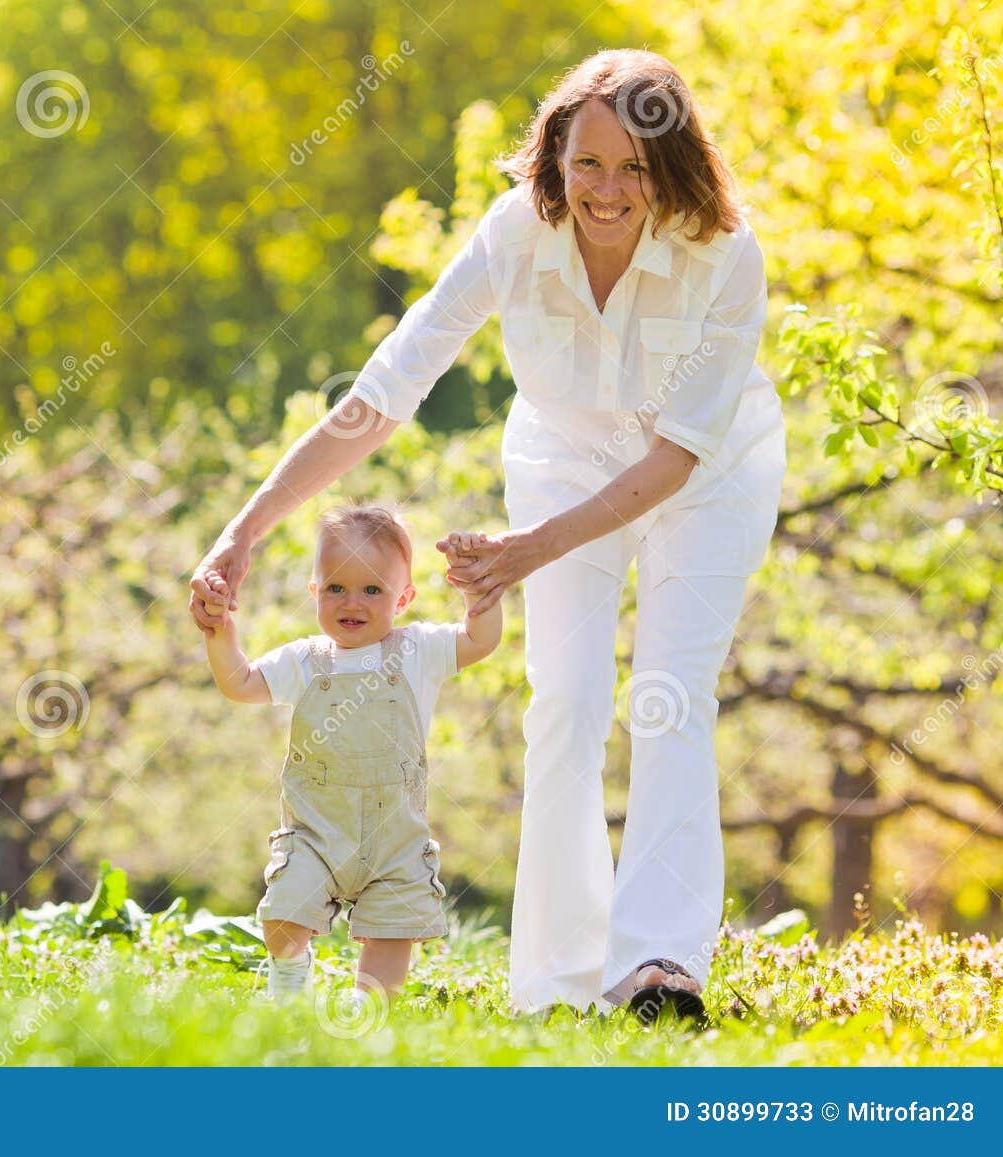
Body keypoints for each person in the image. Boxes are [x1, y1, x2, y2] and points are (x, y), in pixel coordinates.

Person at [190, 49, 785, 1025]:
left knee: (668, 698)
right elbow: (380, 395)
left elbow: (674, 460)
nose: (605, 189)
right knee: (566, 701)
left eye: (634, 167)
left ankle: (659, 969)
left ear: (671, 168)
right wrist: (242, 532)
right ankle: (559, 980)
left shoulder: (725, 252)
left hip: (705, 478)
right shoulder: (514, 233)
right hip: (564, 460)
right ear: (552, 158)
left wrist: (528, 547)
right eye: (585, 162)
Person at [199, 502, 502, 999]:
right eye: (336, 587)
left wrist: (479, 591)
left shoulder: (417, 651)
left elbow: (480, 640)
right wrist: (220, 633)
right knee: (281, 919)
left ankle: (362, 1015)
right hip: (316, 833)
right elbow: (241, 683)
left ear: (403, 598)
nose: (352, 602)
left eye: (372, 590)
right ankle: (290, 981)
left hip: (394, 841)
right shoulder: (303, 659)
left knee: (390, 941)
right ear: (314, 592)